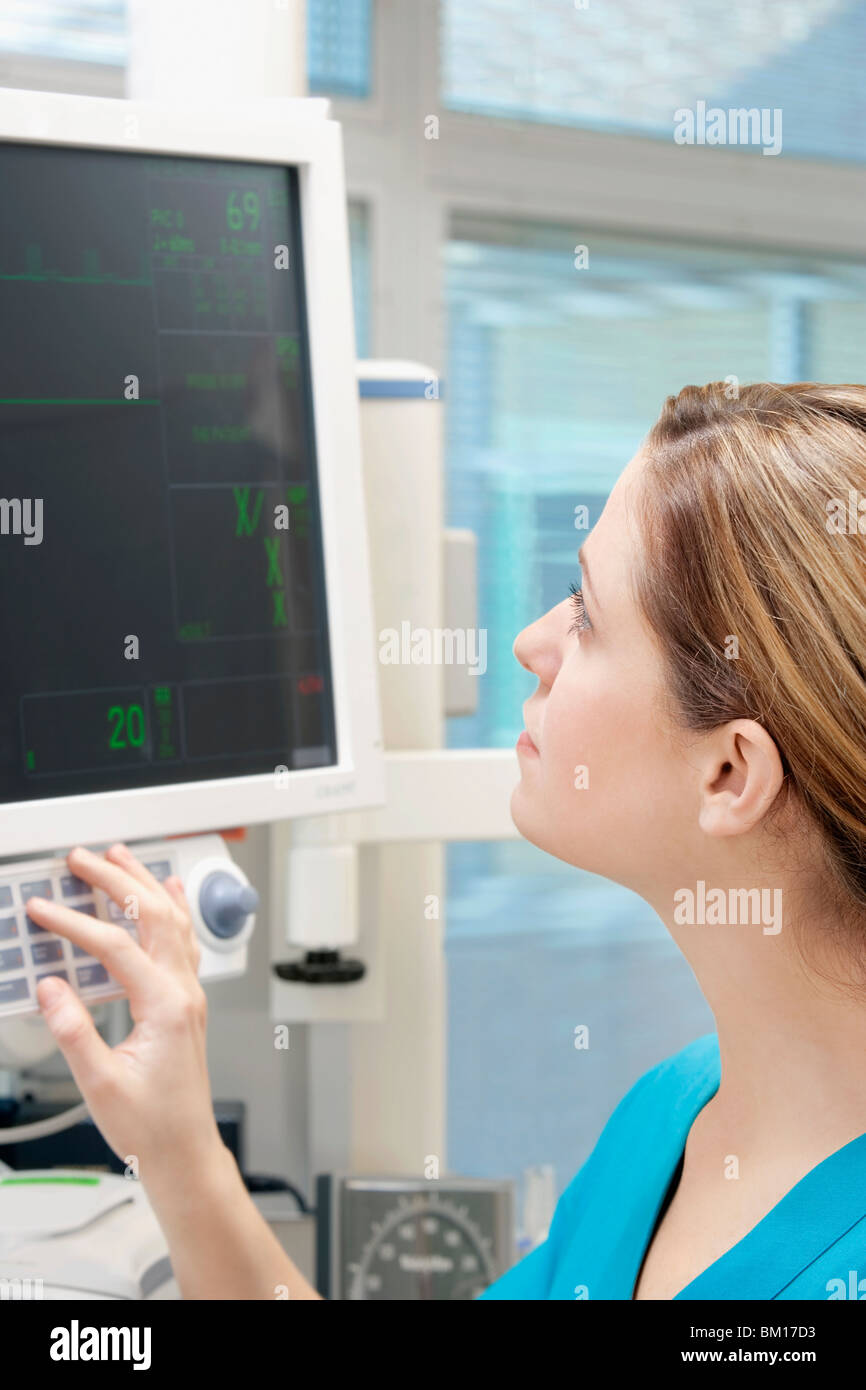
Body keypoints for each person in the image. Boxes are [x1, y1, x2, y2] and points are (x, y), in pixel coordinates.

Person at [27, 380, 866, 1300]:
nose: (530, 642)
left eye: (585, 614)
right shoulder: (669, 1120)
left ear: (729, 777)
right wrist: (177, 1147)